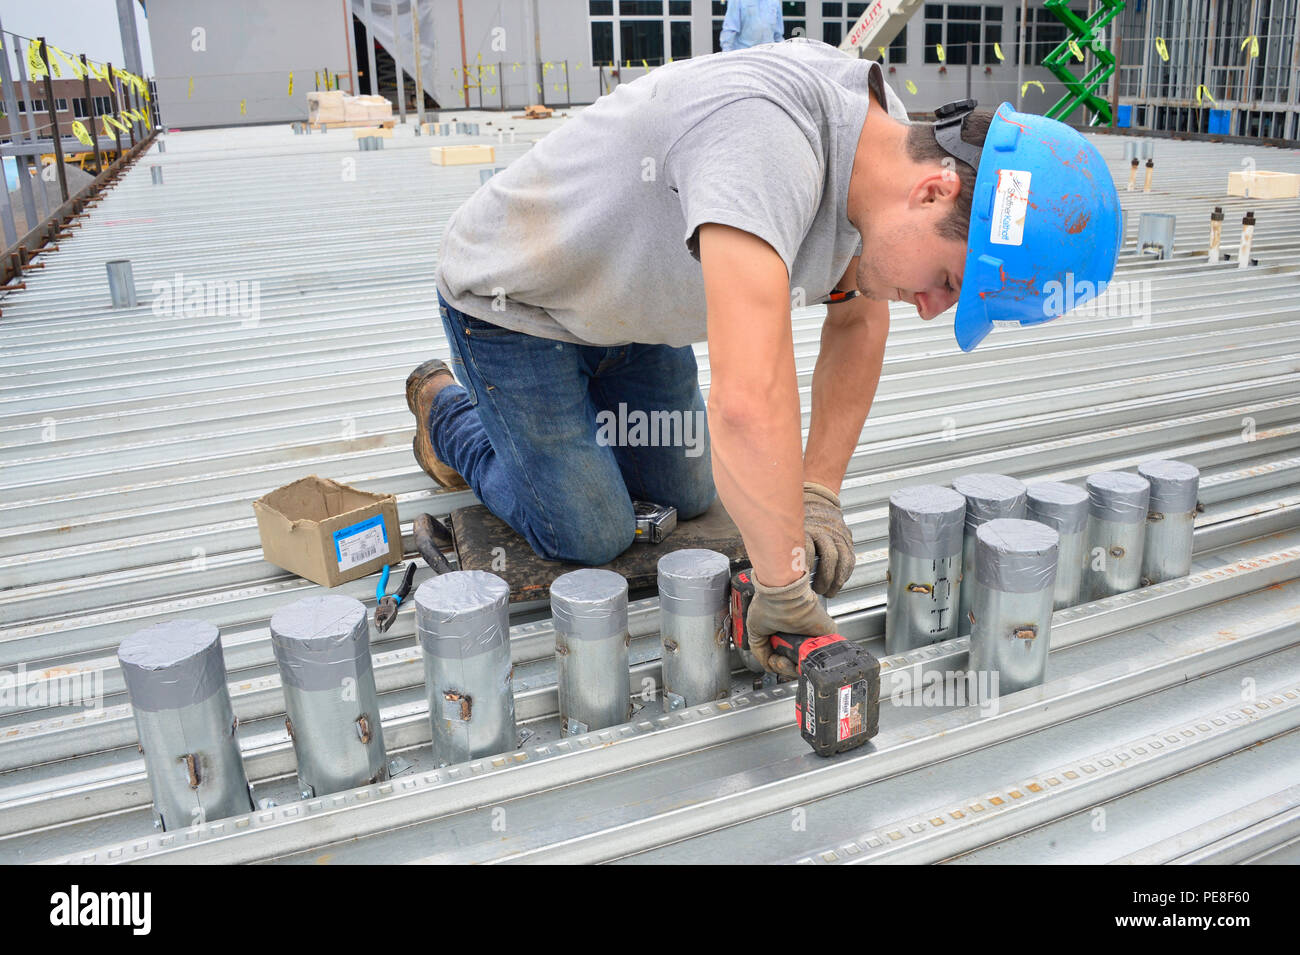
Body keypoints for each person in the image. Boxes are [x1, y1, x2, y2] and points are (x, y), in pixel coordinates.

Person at [413, 38, 1120, 675]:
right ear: (935, 188)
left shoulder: (884, 149)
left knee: (688, 496)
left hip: (629, 315)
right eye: (949, 281)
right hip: (516, 306)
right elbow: (748, 402)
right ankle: (445, 407)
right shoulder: (767, 143)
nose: (933, 308)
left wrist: (815, 493)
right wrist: (783, 588)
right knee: (589, 530)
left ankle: (566, 424)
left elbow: (858, 324)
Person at [719, 0, 785, 52]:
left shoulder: (774, 1)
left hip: (768, 56)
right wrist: (726, 56)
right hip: (744, 56)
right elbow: (730, 29)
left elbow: (778, 35)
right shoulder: (737, 1)